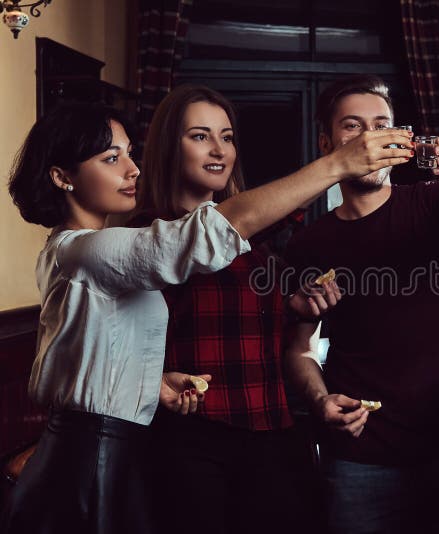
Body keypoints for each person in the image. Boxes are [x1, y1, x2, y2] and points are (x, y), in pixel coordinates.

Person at [1, 101, 412, 534]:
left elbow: (87, 357)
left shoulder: (87, 251)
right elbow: (206, 234)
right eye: (111, 158)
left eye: (127, 153)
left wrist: (153, 384)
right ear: (62, 177)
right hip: (90, 463)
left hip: (103, 451)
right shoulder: (85, 250)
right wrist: (336, 164)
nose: (132, 169)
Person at [284, 75, 439, 534]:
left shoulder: (429, 200)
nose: (369, 138)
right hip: (361, 458)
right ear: (327, 142)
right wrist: (321, 400)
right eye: (352, 127)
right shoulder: (308, 242)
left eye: (381, 124)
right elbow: (299, 348)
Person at [131, 85, 340, 533]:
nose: (218, 149)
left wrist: (295, 308)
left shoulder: (252, 246)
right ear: (170, 145)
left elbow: (236, 318)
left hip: (271, 429)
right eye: (200, 136)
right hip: (194, 436)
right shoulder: (146, 234)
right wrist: (339, 163)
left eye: (226, 137)